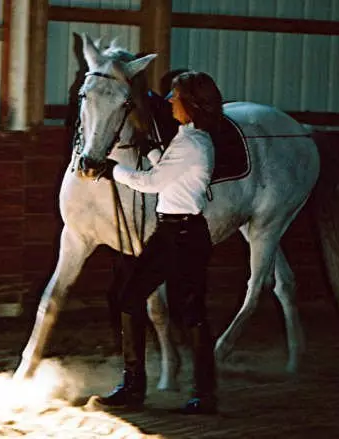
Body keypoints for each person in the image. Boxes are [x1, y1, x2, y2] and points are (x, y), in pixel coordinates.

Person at [94, 71, 224, 415]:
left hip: (183, 236)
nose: (168, 101)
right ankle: (134, 386)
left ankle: (204, 395)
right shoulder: (186, 138)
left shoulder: (193, 143)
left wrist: (113, 170)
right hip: (171, 234)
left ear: (191, 103)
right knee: (128, 298)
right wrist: (153, 152)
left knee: (191, 313)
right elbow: (171, 173)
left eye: (174, 96)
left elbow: (153, 184)